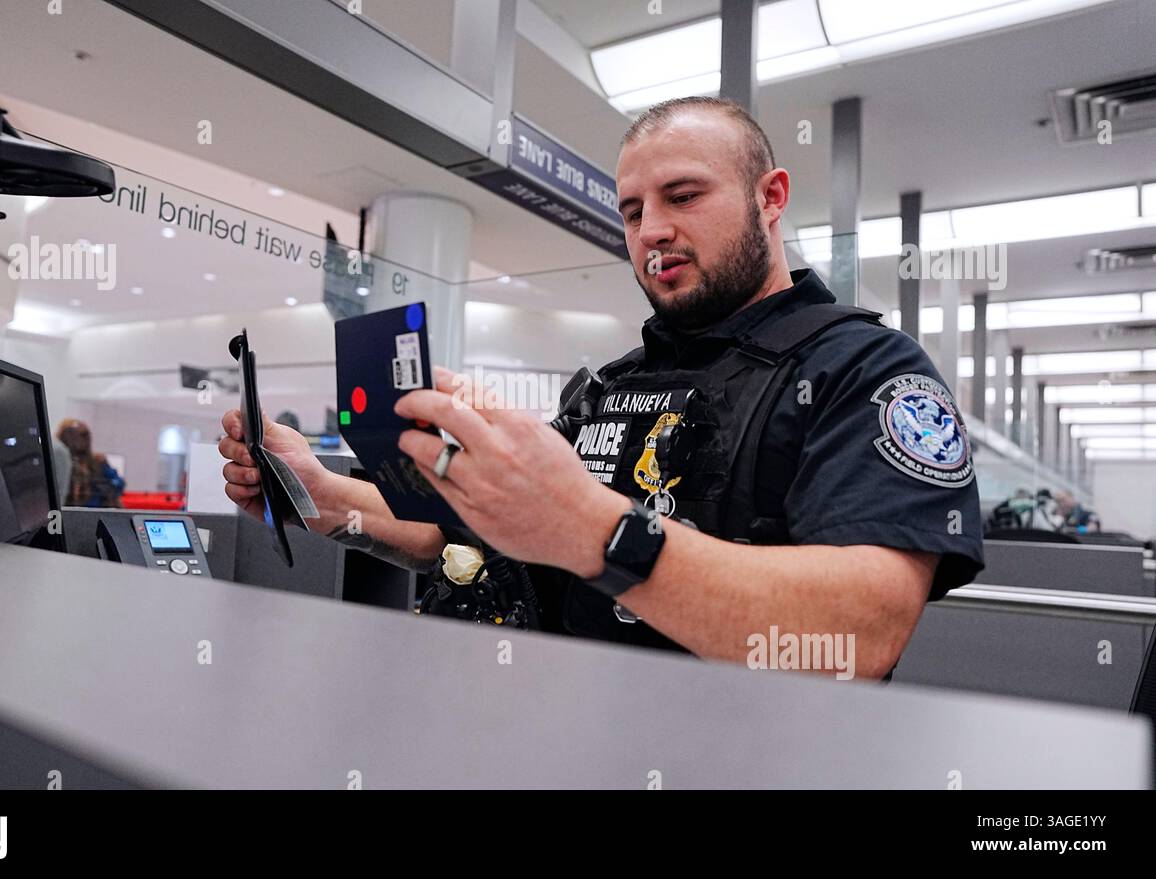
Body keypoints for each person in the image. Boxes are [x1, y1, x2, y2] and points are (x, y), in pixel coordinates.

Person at [220, 96, 984, 680]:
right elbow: (471, 531)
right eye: (631, 210)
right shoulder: (612, 384)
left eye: (683, 196)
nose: (650, 229)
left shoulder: (864, 370)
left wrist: (595, 529)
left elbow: (863, 628)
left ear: (771, 196)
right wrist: (323, 496)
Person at [57, 418, 125, 508]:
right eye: (75, 436)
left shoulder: (98, 462)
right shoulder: (60, 461)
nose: (80, 441)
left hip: (96, 511)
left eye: (84, 435)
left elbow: (118, 484)